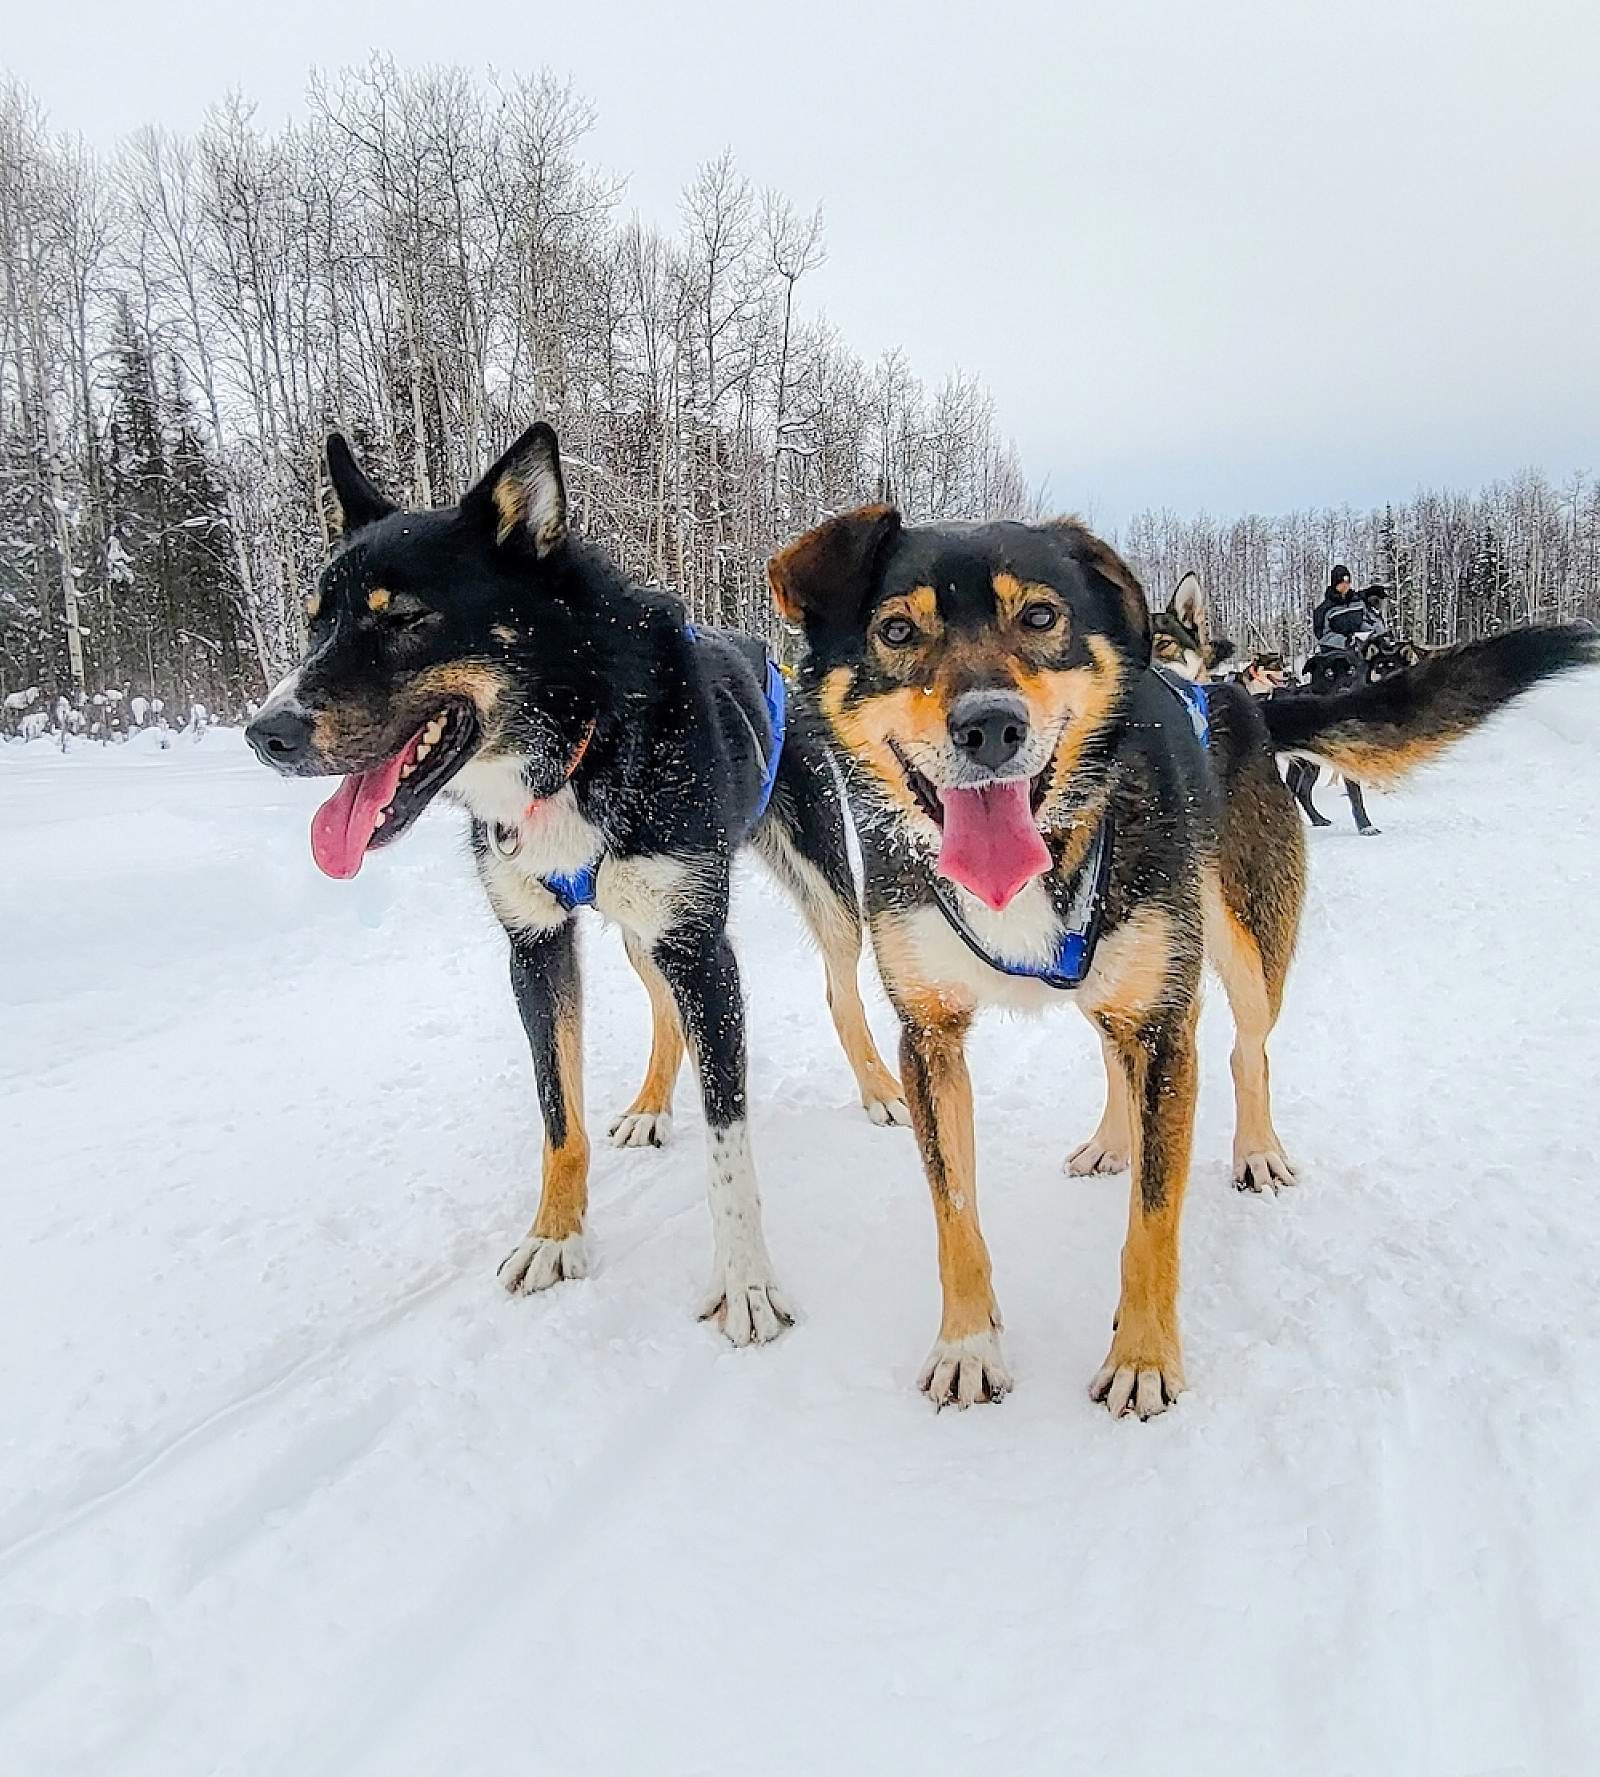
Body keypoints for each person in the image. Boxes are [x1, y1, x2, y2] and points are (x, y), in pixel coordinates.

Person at [1312, 566, 1388, 652]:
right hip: (1337, 652)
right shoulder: (1325, 610)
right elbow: (1323, 636)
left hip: (1360, 649)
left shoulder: (1357, 602)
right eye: (1341, 582)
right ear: (1334, 584)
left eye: (1347, 582)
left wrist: (1375, 634)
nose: (1345, 585)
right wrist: (1345, 642)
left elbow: (1364, 621)